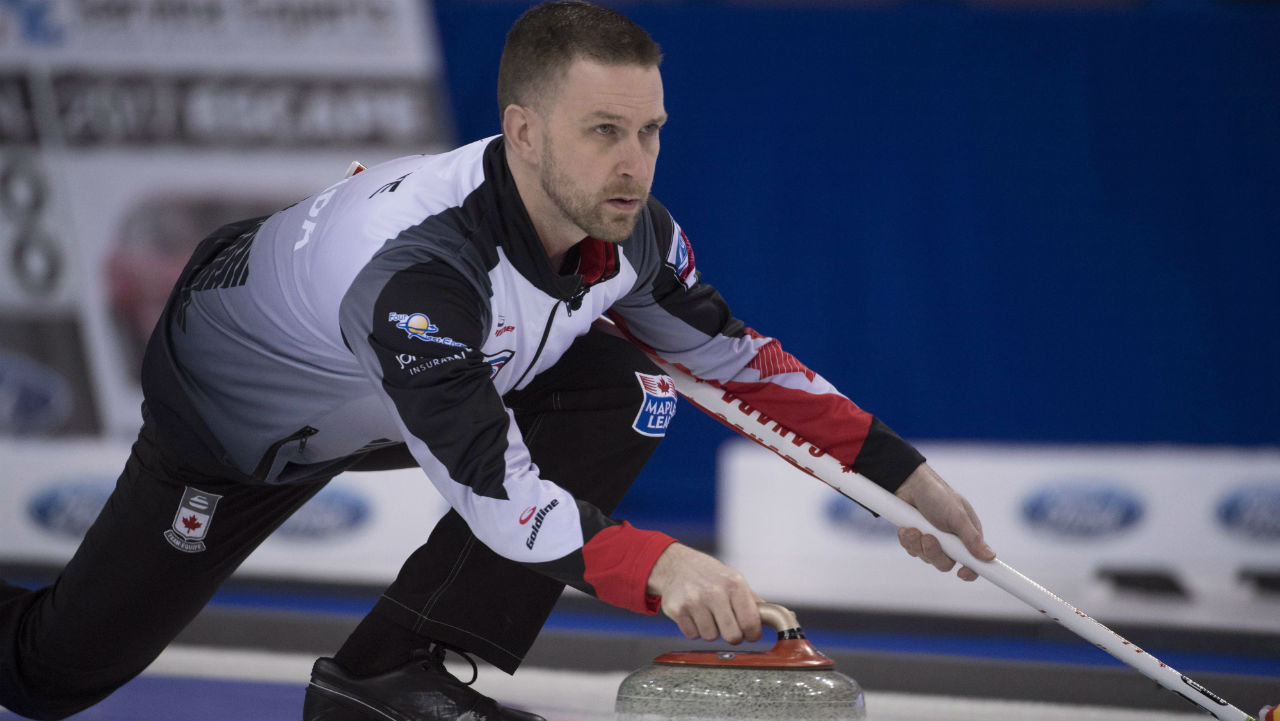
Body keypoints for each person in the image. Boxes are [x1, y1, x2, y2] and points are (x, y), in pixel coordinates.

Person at [0, 3, 997, 720]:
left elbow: (734, 365)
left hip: (396, 395)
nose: (633, 164)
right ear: (520, 132)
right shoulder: (421, 278)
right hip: (233, 427)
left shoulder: (635, 233)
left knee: (640, 385)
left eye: (648, 132)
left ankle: (388, 673)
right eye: (602, 132)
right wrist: (660, 565)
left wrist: (899, 477)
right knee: (51, 678)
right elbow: (495, 492)